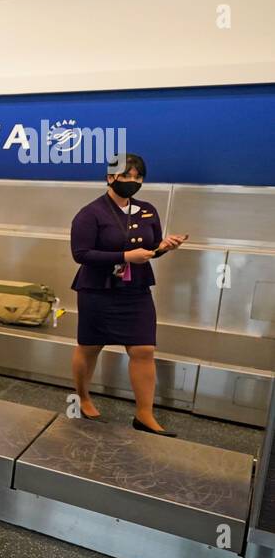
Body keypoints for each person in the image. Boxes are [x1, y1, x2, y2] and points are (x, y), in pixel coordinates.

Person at [70, 153, 186, 436]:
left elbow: (151, 249)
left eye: (138, 177)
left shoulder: (147, 210)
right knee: (90, 346)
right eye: (127, 176)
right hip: (98, 289)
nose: (133, 181)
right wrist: (124, 255)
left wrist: (164, 247)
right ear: (111, 177)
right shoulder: (90, 213)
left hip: (135, 289)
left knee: (144, 348)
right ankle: (83, 396)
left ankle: (144, 414)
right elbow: (80, 254)